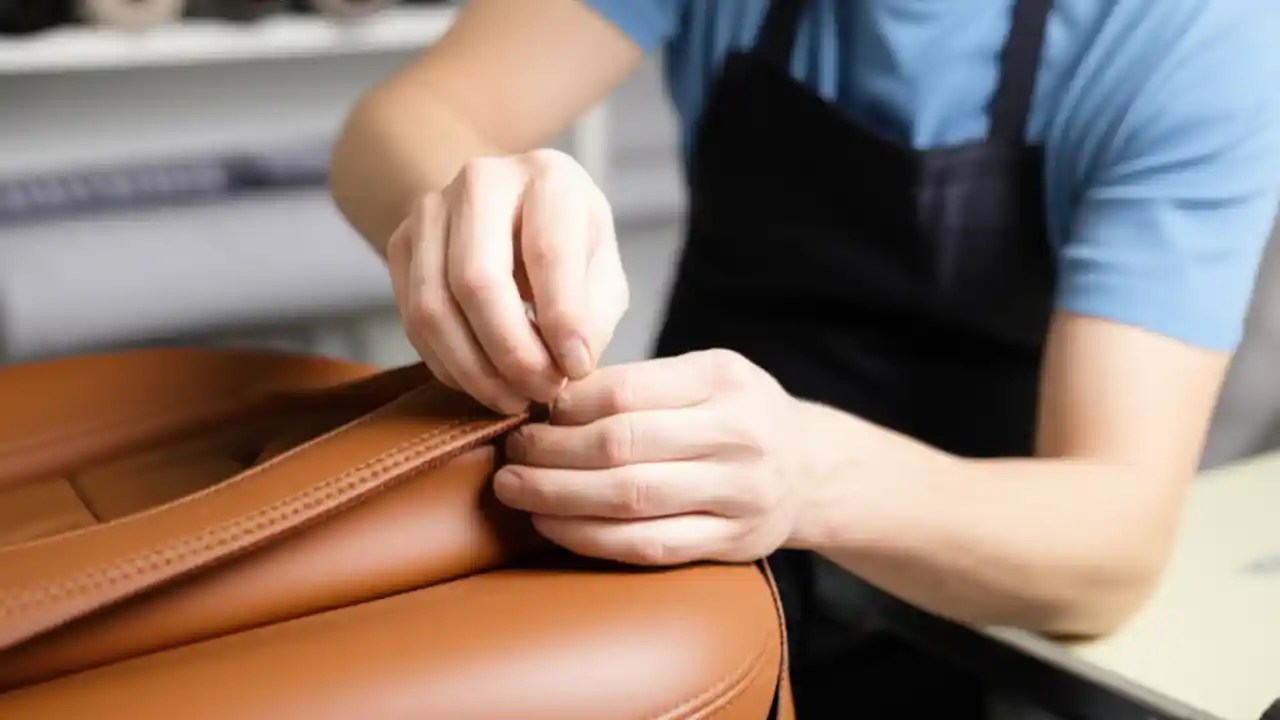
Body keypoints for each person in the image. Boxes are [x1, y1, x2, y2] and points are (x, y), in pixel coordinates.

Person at [329, 0, 1280, 715]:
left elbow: (1112, 543)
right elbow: (403, 119)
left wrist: (809, 479)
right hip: (671, 557)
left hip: (970, 599)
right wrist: (464, 209)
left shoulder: (1195, 34)